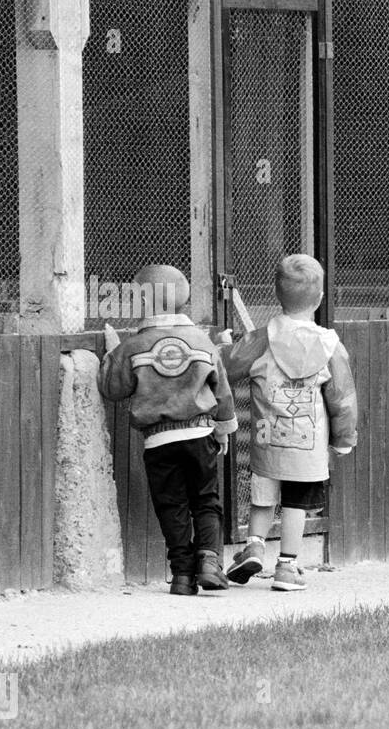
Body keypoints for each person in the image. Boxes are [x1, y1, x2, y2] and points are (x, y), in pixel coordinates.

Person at [97, 265, 238, 595]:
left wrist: (113, 351)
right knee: (206, 501)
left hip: (159, 441)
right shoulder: (201, 341)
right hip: (199, 433)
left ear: (141, 302)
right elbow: (223, 390)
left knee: (171, 506)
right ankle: (209, 562)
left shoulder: (134, 346)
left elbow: (112, 388)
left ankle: (182, 576)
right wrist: (223, 429)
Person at [223, 255, 358, 591]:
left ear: (276, 294)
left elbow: (226, 366)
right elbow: (342, 397)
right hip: (307, 445)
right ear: (320, 298)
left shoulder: (261, 339)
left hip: (267, 440)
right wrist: (343, 439)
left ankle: (253, 545)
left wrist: (225, 344)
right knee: (296, 502)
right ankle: (287, 567)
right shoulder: (329, 346)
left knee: (263, 495)